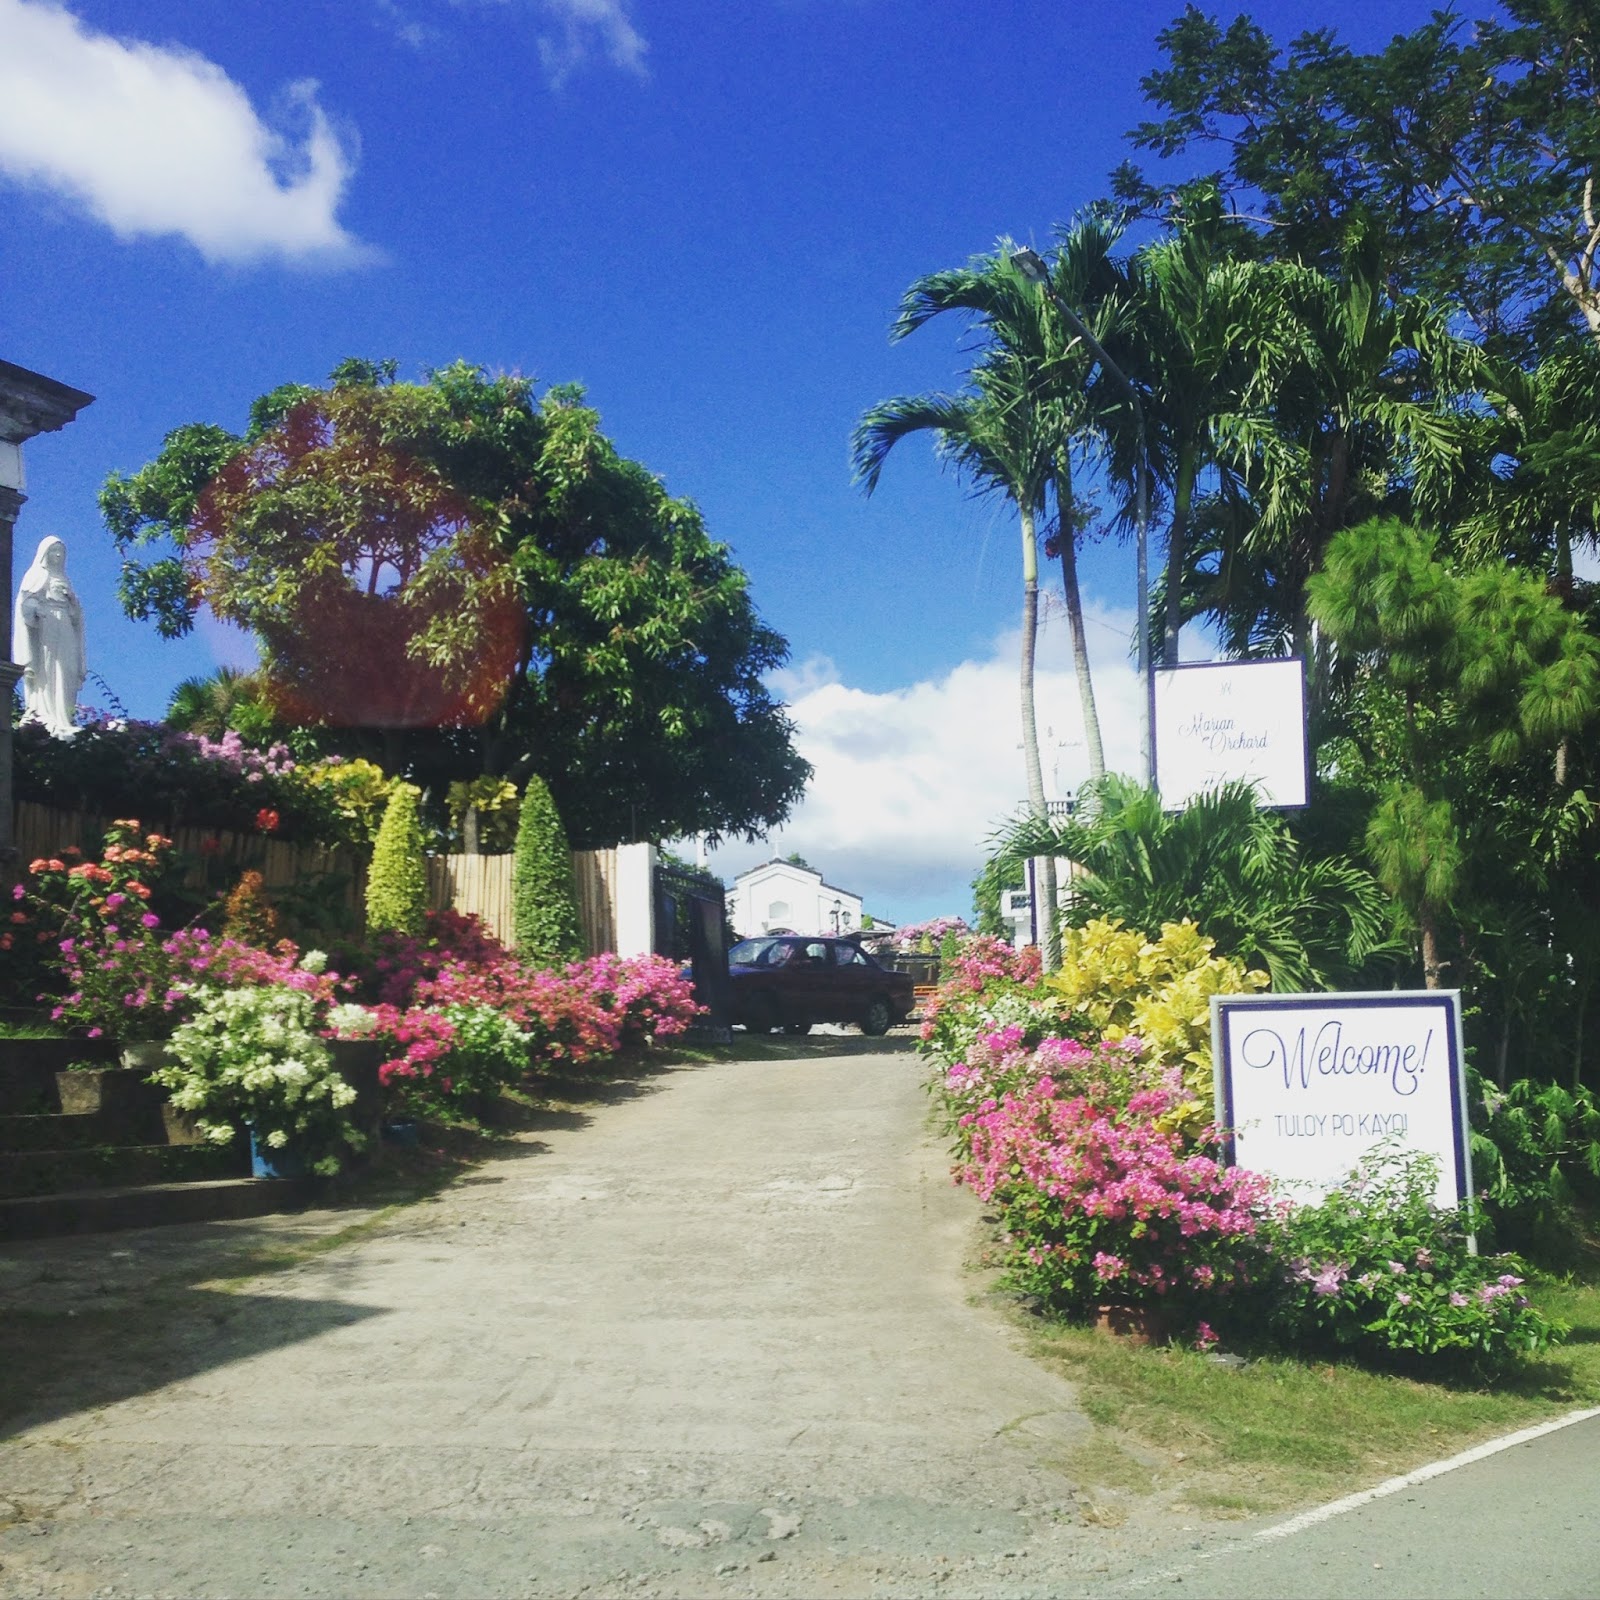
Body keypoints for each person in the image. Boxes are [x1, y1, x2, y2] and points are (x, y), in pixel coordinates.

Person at [14, 535, 86, 739]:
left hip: (65, 626)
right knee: (49, 669)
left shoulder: (65, 579)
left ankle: (64, 716)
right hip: (47, 628)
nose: (58, 555)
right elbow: (26, 603)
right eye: (54, 551)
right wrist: (37, 609)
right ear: (45, 553)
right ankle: (46, 714)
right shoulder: (36, 574)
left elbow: (76, 615)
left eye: (61, 552)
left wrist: (72, 601)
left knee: (68, 669)